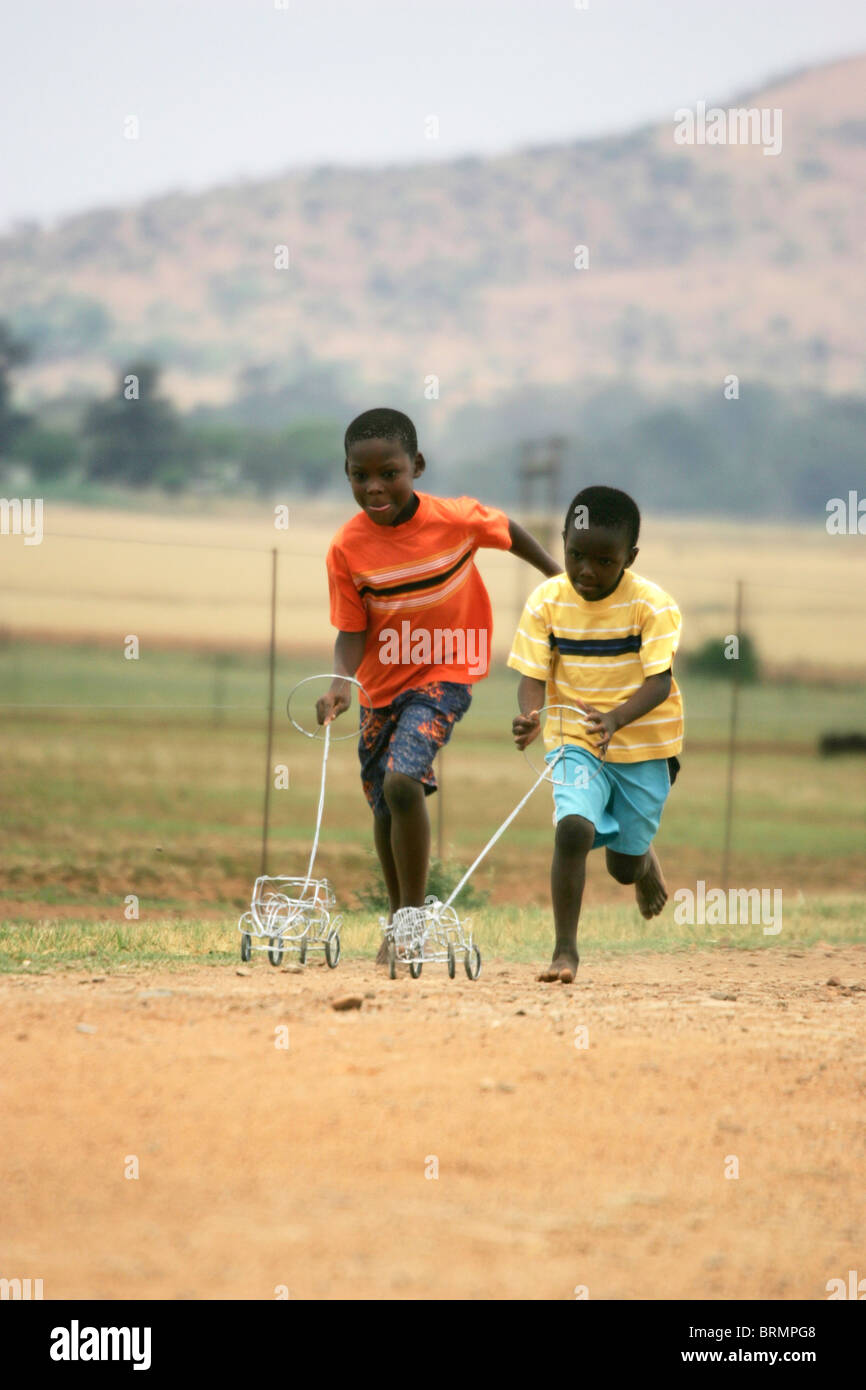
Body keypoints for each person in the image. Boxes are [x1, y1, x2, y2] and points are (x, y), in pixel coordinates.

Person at [316, 406, 560, 959]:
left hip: (448, 672)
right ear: (347, 474)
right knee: (383, 803)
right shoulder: (346, 548)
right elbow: (350, 632)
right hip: (381, 686)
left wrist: (555, 573)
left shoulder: (455, 518)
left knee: (404, 782)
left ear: (417, 466)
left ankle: (411, 922)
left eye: (389, 473)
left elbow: (505, 530)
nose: (375, 486)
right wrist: (339, 685)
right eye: (361, 475)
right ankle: (397, 922)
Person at [509, 485, 684, 984]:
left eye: (603, 561)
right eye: (575, 555)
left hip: (645, 746)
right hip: (574, 739)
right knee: (573, 829)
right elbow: (533, 674)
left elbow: (659, 682)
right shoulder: (546, 601)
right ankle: (565, 952)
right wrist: (530, 715)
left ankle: (641, 856)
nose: (586, 570)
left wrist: (615, 719)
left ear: (629, 558)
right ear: (562, 541)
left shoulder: (653, 607)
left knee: (622, 869)